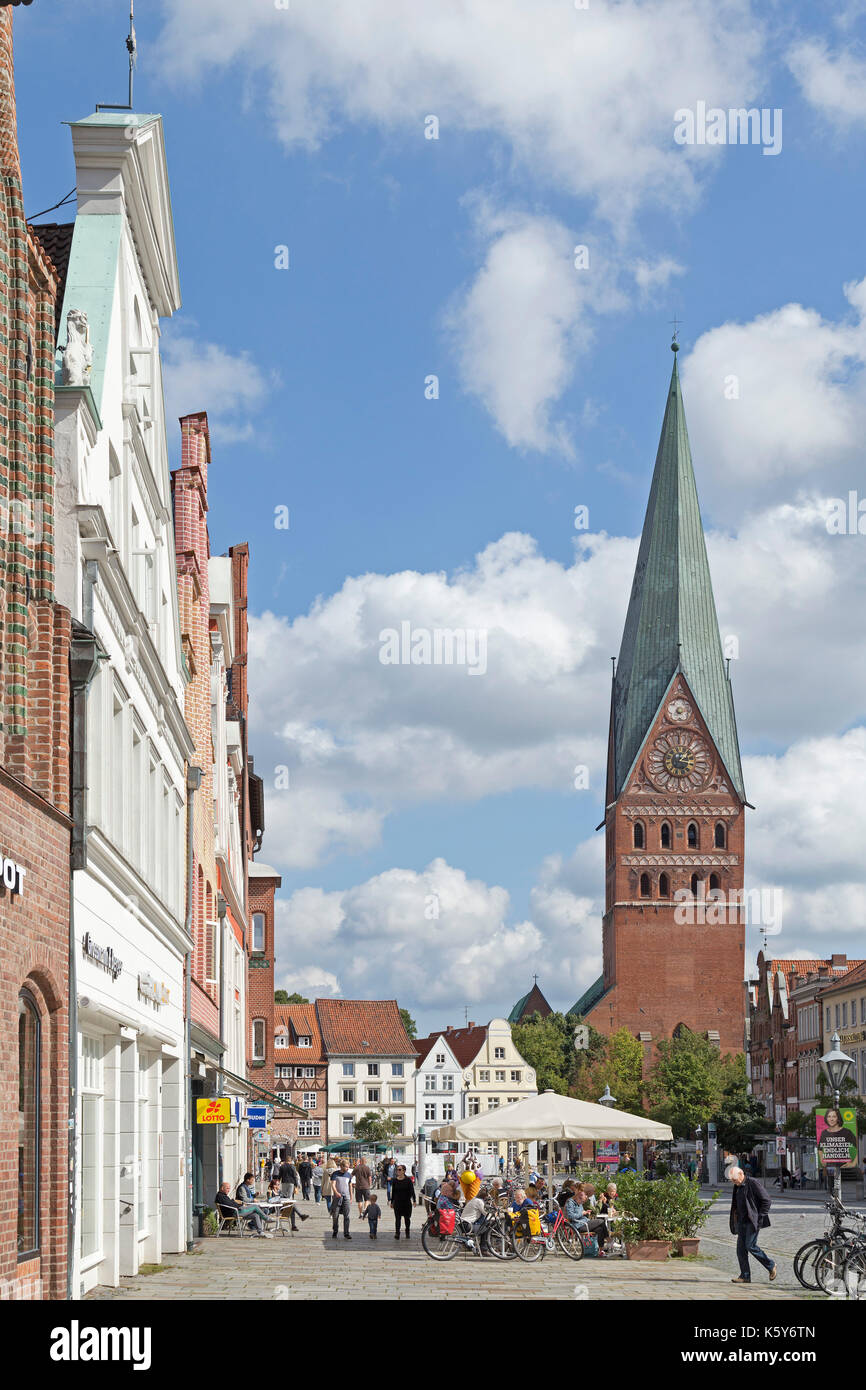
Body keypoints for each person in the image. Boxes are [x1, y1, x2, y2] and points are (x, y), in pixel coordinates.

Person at [729, 1166, 776, 1285]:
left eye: (735, 1180)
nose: (734, 1182)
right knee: (740, 1249)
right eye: (733, 1181)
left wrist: (760, 1217)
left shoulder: (753, 1183)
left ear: (741, 1174)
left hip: (752, 1221)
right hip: (741, 1221)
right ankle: (745, 1276)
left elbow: (767, 1200)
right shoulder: (737, 1185)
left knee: (750, 1245)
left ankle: (770, 1265)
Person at [390, 1163, 417, 1239]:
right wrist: (392, 1202)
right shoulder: (395, 1180)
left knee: (407, 1219)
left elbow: (412, 1191)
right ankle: (397, 1233)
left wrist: (414, 1200)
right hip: (397, 1203)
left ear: (404, 1171)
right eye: (397, 1170)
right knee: (397, 1219)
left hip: (406, 1203)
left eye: (399, 1169)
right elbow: (393, 1191)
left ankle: (407, 1231)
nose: (397, 1171)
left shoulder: (408, 1180)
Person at [330, 1160, 353, 1240]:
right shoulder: (335, 1174)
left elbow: (350, 1186)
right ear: (341, 1166)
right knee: (335, 1215)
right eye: (346, 1167)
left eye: (348, 1167)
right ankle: (335, 1231)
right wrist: (336, 1192)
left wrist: (351, 1197)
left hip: (346, 1197)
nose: (347, 1168)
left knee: (347, 1216)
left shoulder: (349, 1175)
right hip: (337, 1197)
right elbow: (333, 1184)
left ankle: (346, 1233)